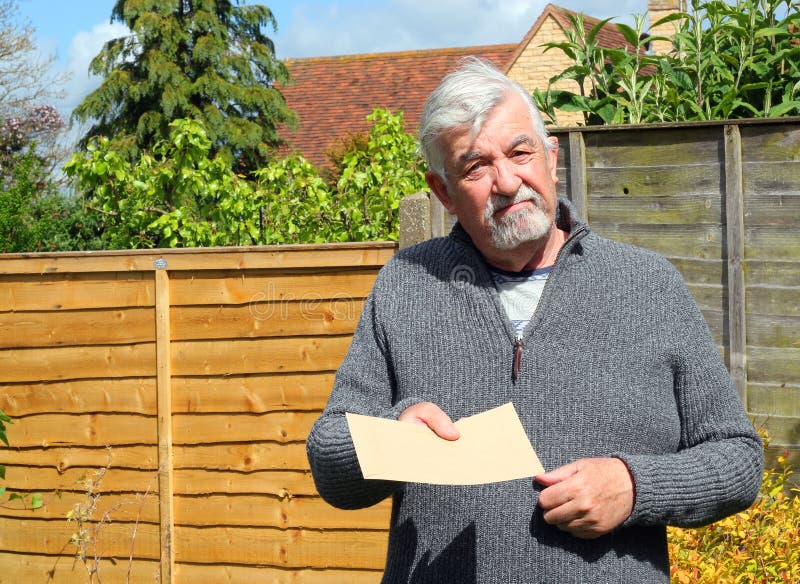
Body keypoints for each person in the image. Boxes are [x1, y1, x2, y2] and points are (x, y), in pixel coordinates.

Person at [306, 57, 763, 583]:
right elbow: (329, 463)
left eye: (520, 152)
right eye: (475, 166)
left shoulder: (647, 284)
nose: (506, 180)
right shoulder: (406, 284)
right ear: (443, 192)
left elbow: (738, 458)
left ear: (550, 158)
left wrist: (635, 486)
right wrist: (391, 439)